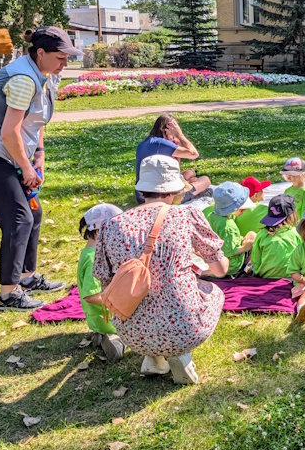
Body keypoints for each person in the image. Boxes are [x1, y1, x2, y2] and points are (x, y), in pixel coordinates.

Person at [0, 26, 79, 310]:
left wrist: (39, 154)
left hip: (12, 154)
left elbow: (35, 122)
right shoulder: (22, 79)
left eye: (68, 57)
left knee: (33, 212)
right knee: (19, 219)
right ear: (40, 53)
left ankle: (27, 277)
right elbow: (8, 132)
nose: (66, 62)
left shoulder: (44, 74)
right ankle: (8, 295)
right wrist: (26, 168)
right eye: (60, 57)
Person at [94, 155, 229, 385]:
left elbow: (104, 278)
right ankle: (179, 354)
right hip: (184, 329)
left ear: (143, 189)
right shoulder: (186, 216)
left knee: (147, 298)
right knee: (214, 291)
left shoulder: (112, 225)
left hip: (131, 332)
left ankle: (152, 358)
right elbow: (219, 269)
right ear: (173, 189)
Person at [77, 203, 126, 361]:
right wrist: (118, 302)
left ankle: (101, 335)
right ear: (99, 232)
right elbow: (90, 296)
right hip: (108, 318)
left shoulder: (89, 252)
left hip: (98, 319)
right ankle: (115, 341)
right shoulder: (93, 259)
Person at [134, 114, 210, 204]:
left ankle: (189, 181)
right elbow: (194, 154)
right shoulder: (161, 143)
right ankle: (193, 190)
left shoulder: (144, 143)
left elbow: (172, 171)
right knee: (205, 180)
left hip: (142, 193)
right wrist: (180, 135)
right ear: (166, 129)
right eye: (175, 129)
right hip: (159, 196)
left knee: (190, 172)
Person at [206, 182, 255, 276]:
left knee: (251, 234)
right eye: (242, 209)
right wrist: (245, 247)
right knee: (254, 241)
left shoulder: (212, 216)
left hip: (216, 257)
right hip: (232, 265)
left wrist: (238, 238)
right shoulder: (228, 226)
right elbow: (229, 252)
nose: (244, 211)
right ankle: (244, 271)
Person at [251, 195, 301, 280]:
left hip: (266, 276)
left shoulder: (262, 234)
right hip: (289, 276)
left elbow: (256, 259)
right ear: (292, 215)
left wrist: (256, 272)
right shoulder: (294, 233)